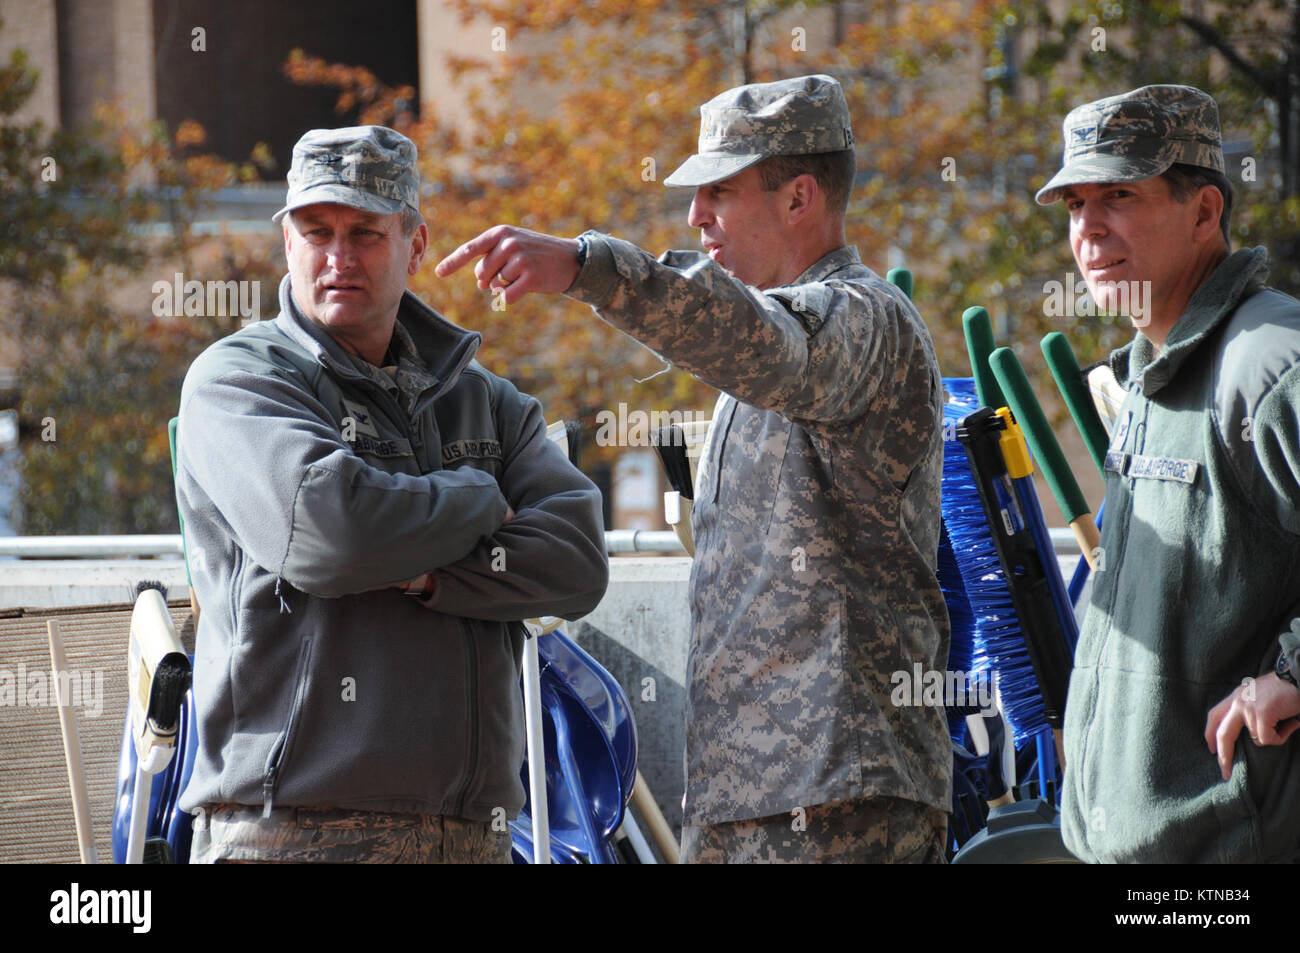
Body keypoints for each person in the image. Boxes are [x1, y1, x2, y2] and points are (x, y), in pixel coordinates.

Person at [437, 74, 951, 863]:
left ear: (799, 197)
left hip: (842, 800)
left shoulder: (862, 319)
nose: (694, 216)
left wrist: (587, 267)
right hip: (751, 800)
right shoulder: (780, 347)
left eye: (719, 189)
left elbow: (764, 342)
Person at [174, 125, 609, 863]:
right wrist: (476, 500)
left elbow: (576, 559)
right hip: (291, 833)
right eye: (317, 231)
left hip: (471, 836)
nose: (339, 258)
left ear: (414, 245)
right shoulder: (238, 380)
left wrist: (425, 570)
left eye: (366, 234)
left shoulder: (486, 401)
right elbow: (328, 532)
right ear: (287, 242)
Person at [1036, 85, 1300, 863]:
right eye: (1075, 204)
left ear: (1205, 212)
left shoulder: (1268, 363)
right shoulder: (1155, 374)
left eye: (1119, 194)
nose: (1090, 229)